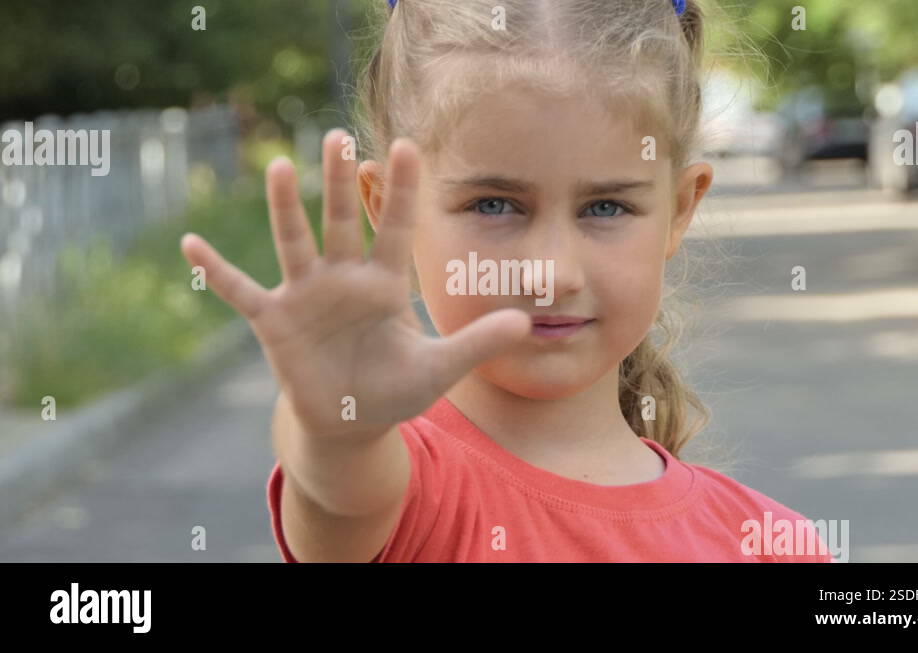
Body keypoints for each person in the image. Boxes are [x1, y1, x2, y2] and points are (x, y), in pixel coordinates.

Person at [180, 0, 834, 562]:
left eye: (606, 207)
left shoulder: (773, 544)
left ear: (680, 208)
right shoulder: (412, 491)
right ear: (390, 210)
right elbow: (337, 490)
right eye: (495, 204)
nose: (552, 272)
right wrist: (335, 422)